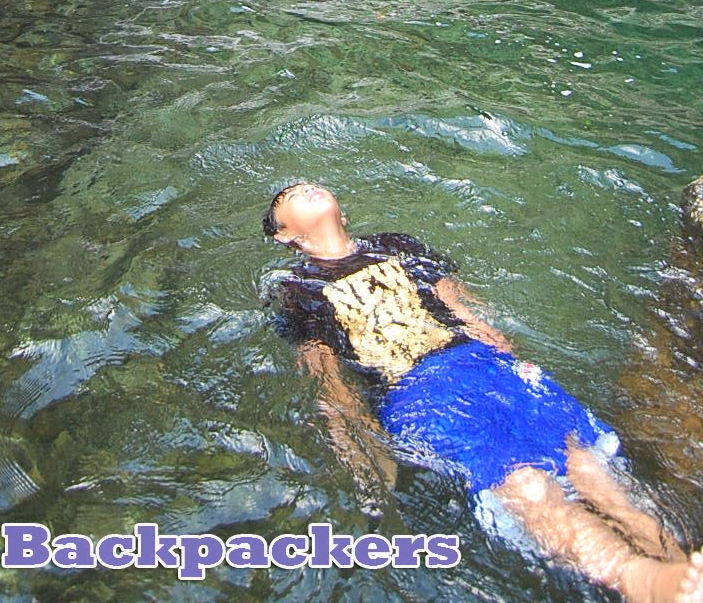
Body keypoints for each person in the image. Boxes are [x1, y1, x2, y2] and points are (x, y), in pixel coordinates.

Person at [262, 180, 703, 603]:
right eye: (290, 196)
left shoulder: (396, 244)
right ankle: (639, 581)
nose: (305, 188)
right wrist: (357, 449)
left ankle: (677, 566)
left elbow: (460, 306)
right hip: (417, 392)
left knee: (585, 464)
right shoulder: (297, 288)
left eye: (309, 186)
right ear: (284, 235)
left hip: (481, 363)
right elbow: (325, 377)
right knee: (525, 483)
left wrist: (509, 359)